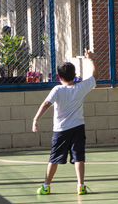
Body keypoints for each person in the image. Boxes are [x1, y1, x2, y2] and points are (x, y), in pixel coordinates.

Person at [33, 51, 97, 195]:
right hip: (78, 127)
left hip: (60, 130)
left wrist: (36, 119)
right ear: (75, 76)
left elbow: (46, 104)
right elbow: (94, 76)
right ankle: (80, 185)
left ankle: (46, 186)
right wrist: (91, 59)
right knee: (79, 157)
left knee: (54, 158)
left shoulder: (58, 89)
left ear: (59, 77)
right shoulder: (80, 88)